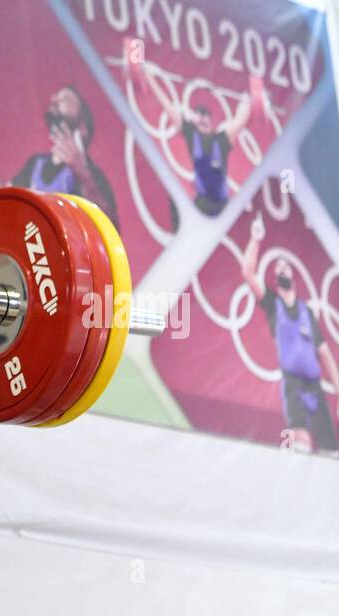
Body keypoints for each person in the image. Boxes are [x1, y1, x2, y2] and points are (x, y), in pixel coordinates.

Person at [0, 84, 119, 227]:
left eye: (66, 98)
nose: (54, 98)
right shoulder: (37, 163)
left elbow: (108, 227)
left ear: (83, 127)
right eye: (57, 96)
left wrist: (82, 172)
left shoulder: (92, 176)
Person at [240, 213, 339, 454]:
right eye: (277, 268)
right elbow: (248, 273)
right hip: (294, 388)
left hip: (315, 388)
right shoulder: (273, 305)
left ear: (293, 276)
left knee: (332, 455)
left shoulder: (307, 313)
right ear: (276, 279)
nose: (281, 268)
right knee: (301, 450)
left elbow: (325, 354)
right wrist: (255, 239)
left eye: (285, 265)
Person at [126, 42, 261, 216]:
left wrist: (248, 100)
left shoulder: (222, 137)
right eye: (200, 116)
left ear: (211, 123)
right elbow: (167, 105)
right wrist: (149, 76)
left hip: (223, 207)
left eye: (206, 117)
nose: (203, 119)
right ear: (195, 121)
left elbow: (241, 119)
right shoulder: (191, 134)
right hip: (202, 205)